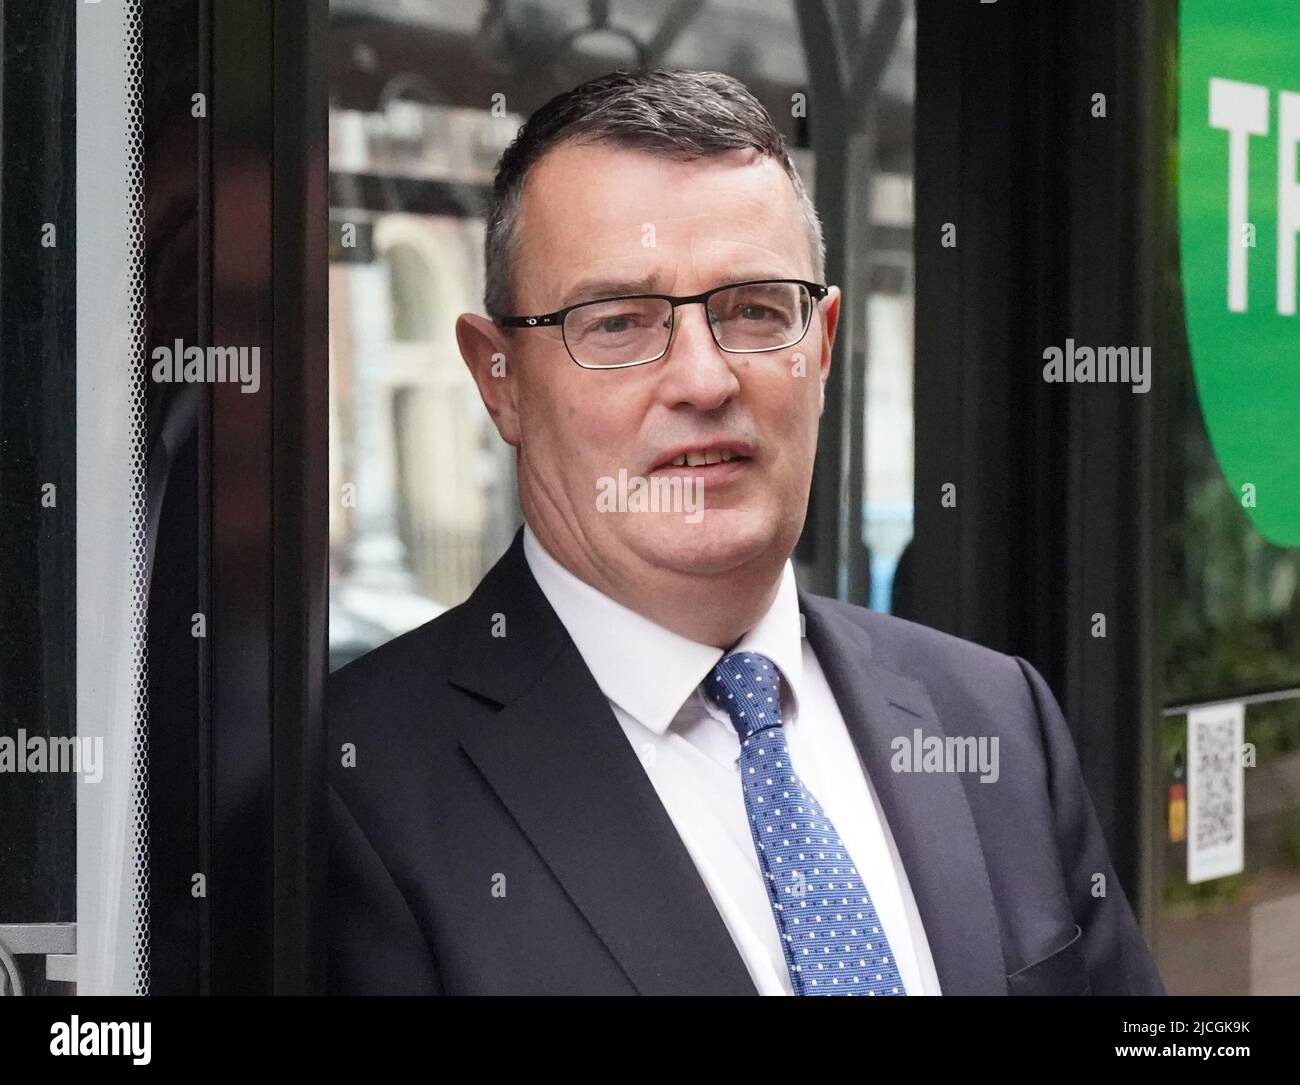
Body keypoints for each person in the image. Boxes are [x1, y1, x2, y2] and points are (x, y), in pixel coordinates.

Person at [326, 67, 1165, 996]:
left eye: (756, 310)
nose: (704, 380)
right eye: (616, 322)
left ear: (823, 343)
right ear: (499, 379)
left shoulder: (992, 715)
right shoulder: (359, 789)